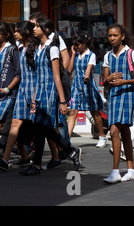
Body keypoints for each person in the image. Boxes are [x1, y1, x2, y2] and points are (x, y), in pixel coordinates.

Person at [21, 17, 81, 176]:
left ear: (46, 30)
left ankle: (38, 164)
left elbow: (56, 76)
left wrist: (63, 102)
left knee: (42, 127)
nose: (34, 29)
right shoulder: (39, 48)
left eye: (37, 26)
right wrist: (34, 98)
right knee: (43, 129)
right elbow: (37, 76)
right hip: (40, 93)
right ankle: (70, 151)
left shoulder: (52, 48)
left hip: (50, 93)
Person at [102, 24, 134, 183]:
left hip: (126, 95)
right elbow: (104, 81)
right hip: (113, 96)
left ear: (122, 36)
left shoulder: (131, 53)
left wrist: (124, 81)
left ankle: (115, 171)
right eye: (110, 36)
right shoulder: (107, 56)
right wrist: (109, 77)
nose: (112, 38)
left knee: (114, 131)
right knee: (125, 132)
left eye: (115, 35)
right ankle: (131, 169)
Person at [0, 21, 37, 170]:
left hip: (29, 92)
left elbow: (24, 73)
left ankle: (65, 150)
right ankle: (6, 159)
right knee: (15, 125)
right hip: (22, 92)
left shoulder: (22, 50)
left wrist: (8, 89)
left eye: (18, 30)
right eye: (14, 30)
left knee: (45, 128)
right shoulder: (20, 48)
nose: (16, 33)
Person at [67, 34, 107, 147]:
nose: (76, 47)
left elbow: (89, 69)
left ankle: (102, 136)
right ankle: (67, 139)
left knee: (94, 111)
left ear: (84, 44)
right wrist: (73, 54)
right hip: (76, 86)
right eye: (74, 45)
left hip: (88, 85)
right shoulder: (76, 55)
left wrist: (86, 77)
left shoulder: (91, 55)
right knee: (73, 112)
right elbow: (70, 69)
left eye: (77, 45)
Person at [0, 21, 21, 159]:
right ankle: (23, 154)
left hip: (8, 95)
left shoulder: (12, 50)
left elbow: (18, 74)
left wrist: (8, 88)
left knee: (8, 127)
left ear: (6, 35)